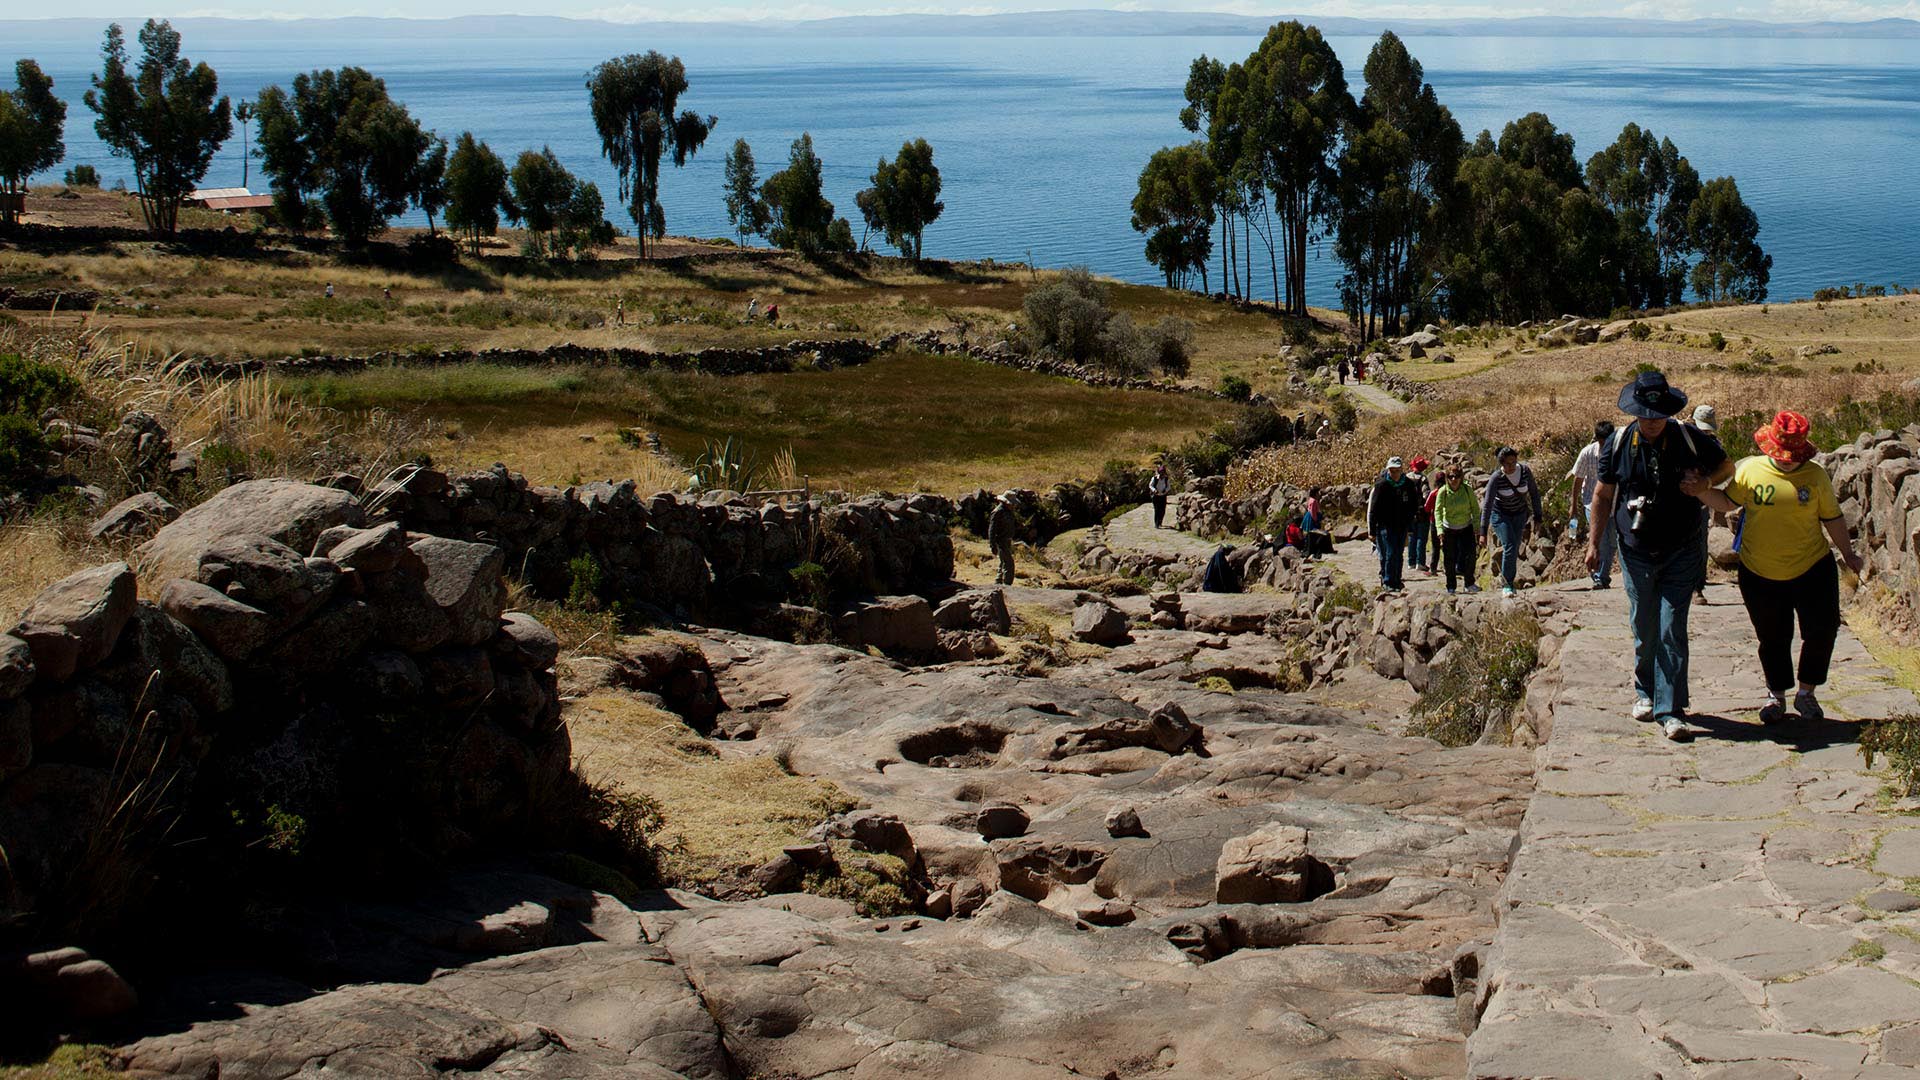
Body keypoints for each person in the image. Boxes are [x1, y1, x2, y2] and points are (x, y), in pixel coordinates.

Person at [1689, 411, 1863, 724]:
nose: (1786, 461)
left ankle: (1807, 692)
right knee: (1772, 637)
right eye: (1781, 455)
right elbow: (1728, 502)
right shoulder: (1751, 470)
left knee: (1823, 630)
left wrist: (1848, 554)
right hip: (1759, 571)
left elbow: (1832, 517)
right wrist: (1701, 490)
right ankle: (1776, 696)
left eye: (1792, 456)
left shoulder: (1815, 476)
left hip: (1812, 566)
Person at [1588, 370, 1733, 741]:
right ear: (1634, 411)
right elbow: (1603, 494)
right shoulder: (1619, 443)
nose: (1651, 421)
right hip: (1635, 550)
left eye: (1658, 415)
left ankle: (1670, 710)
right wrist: (1594, 544)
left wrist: (1704, 484)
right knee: (1644, 624)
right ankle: (1645, 691)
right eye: (1645, 415)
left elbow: (1726, 466)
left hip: (1682, 547)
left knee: (1671, 626)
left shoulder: (1689, 438)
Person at [1480, 446, 1543, 597]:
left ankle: (1509, 581)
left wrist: (1538, 517)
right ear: (1501, 464)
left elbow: (1534, 493)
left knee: (1514, 547)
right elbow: (1487, 504)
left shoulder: (1525, 471)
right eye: (1507, 464)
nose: (1511, 466)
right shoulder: (1497, 478)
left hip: (1519, 514)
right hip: (1500, 515)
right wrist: (1482, 531)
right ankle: (1507, 584)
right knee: (1509, 544)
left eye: (1513, 462)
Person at [1567, 420, 1619, 589]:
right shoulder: (1587, 453)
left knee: (1612, 541)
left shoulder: (1618, 452)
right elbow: (1578, 479)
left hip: (1614, 503)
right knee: (1601, 539)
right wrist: (1573, 505)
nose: (1605, 446)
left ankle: (1603, 575)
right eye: (1602, 442)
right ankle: (1598, 576)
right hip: (1592, 502)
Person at [1368, 456, 1421, 592]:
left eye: (1397, 470)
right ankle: (1388, 581)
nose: (1395, 473)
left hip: (1402, 525)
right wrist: (1372, 531)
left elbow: (1413, 505)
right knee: (1390, 553)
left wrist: (1411, 525)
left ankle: (1397, 580)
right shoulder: (1382, 485)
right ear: (1388, 470)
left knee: (1398, 553)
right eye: (1392, 470)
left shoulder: (1408, 484)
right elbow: (1373, 509)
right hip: (1385, 525)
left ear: (1401, 470)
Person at [1688, 404, 1720, 603]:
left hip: (1701, 500)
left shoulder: (1714, 444)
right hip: (1679, 499)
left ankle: (1696, 587)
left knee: (1700, 543)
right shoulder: (1681, 439)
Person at [1434, 468, 1481, 594]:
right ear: (1447, 478)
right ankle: (1451, 586)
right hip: (1449, 528)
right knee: (1449, 558)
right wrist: (1439, 530)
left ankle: (1469, 583)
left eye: (1457, 476)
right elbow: (1438, 511)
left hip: (1466, 527)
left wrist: (1477, 527)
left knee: (1470, 556)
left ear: (1461, 477)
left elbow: (1475, 508)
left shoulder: (1467, 490)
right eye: (1450, 476)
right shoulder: (1443, 491)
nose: (1454, 479)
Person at [1406, 456, 1433, 574]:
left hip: (1409, 512)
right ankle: (1420, 562)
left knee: (1412, 536)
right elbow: (1426, 495)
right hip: (1421, 512)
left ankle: (1411, 562)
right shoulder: (1423, 479)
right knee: (1421, 537)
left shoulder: (1406, 477)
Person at [988, 492, 1018, 586]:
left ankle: (998, 582)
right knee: (1009, 564)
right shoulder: (998, 512)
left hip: (1007, 540)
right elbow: (992, 529)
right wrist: (992, 544)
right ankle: (1007, 585)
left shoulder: (1008, 511)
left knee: (1003, 562)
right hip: (1001, 541)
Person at [1148, 464, 1171, 529]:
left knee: (1162, 510)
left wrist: (1165, 490)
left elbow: (1168, 487)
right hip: (1156, 496)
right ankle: (1156, 523)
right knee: (1157, 509)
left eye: (1163, 472)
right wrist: (1154, 490)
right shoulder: (1155, 478)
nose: (1162, 473)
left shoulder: (1166, 479)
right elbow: (1150, 485)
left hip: (1163, 496)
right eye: (1161, 472)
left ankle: (1160, 522)